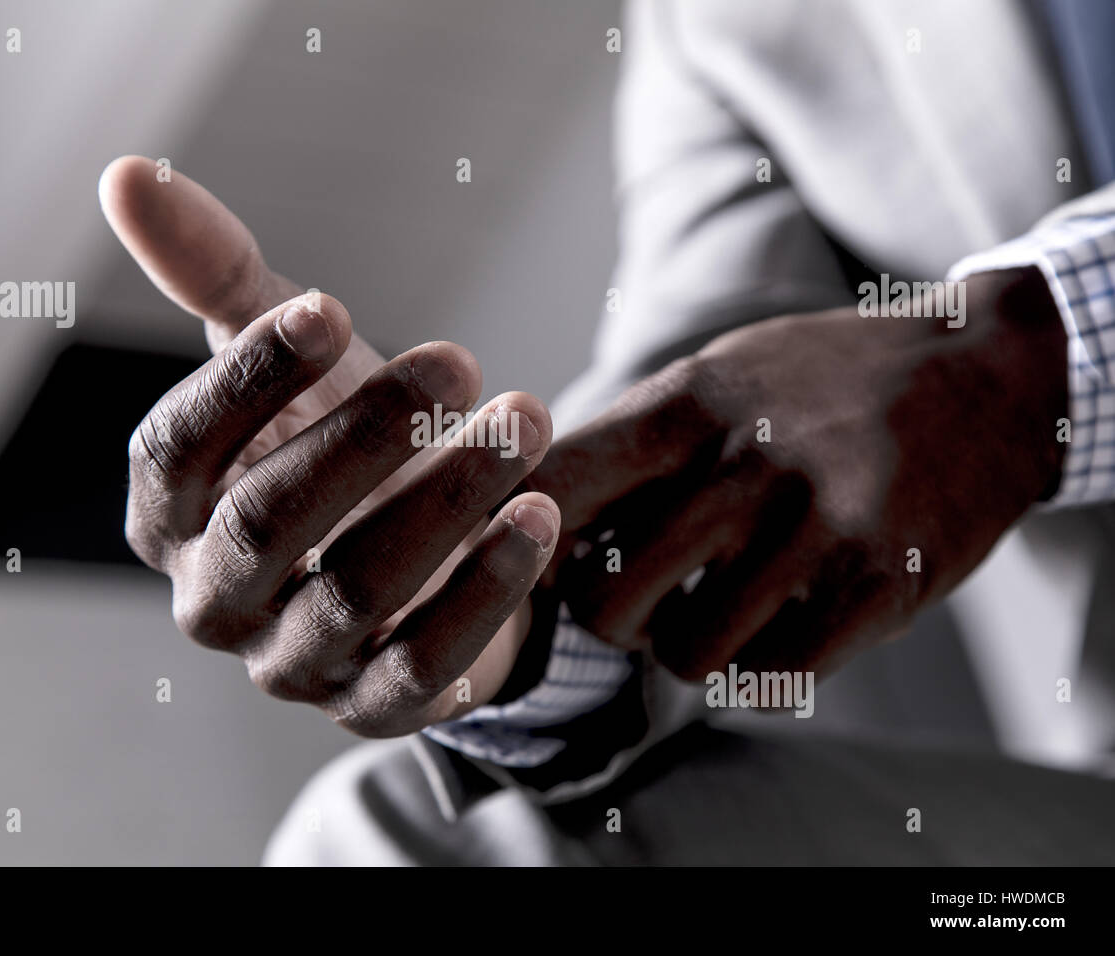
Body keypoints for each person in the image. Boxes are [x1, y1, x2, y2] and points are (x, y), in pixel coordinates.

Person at [100, 0, 1115, 865]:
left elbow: (955, 380)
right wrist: (497, 596)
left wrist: (1038, 359)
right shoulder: (713, 27)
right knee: (388, 843)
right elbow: (701, 426)